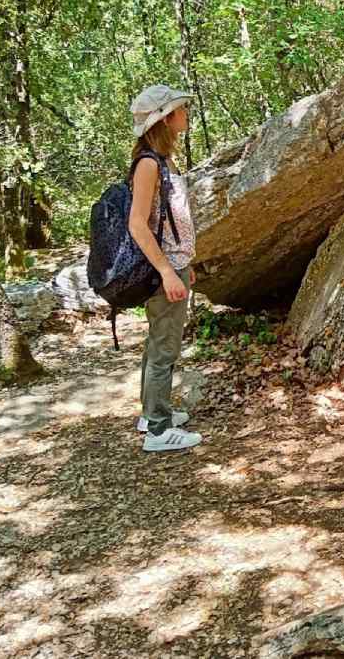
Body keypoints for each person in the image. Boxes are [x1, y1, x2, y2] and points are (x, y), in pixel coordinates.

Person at [128, 85, 202, 453]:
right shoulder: (148, 164)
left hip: (174, 264)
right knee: (165, 348)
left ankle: (151, 414)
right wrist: (168, 272)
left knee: (159, 340)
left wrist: (184, 264)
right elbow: (138, 224)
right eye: (180, 109)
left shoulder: (163, 160)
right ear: (165, 118)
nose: (185, 113)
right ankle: (158, 431)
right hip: (164, 270)